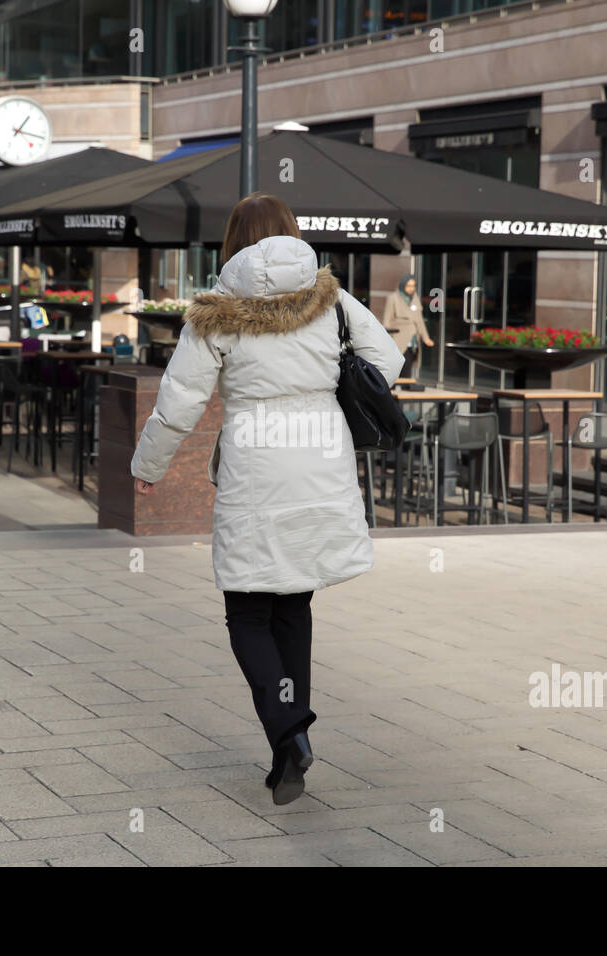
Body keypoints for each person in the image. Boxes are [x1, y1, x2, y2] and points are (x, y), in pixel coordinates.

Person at [129, 192, 403, 806]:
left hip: (256, 464)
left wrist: (148, 465)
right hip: (321, 461)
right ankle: (289, 744)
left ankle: (288, 734)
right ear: (291, 234)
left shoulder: (218, 312)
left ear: (234, 242)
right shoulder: (330, 297)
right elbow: (387, 357)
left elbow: (179, 400)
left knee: (247, 611)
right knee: (292, 606)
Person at [381, 273, 433, 379]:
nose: (411, 289)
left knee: (409, 360)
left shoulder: (415, 298)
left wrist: (426, 337)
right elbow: (387, 319)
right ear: (403, 285)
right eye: (409, 286)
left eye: (413, 286)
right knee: (398, 362)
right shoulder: (393, 298)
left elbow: (419, 320)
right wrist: (387, 336)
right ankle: (395, 384)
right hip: (398, 336)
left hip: (412, 337)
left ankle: (406, 384)